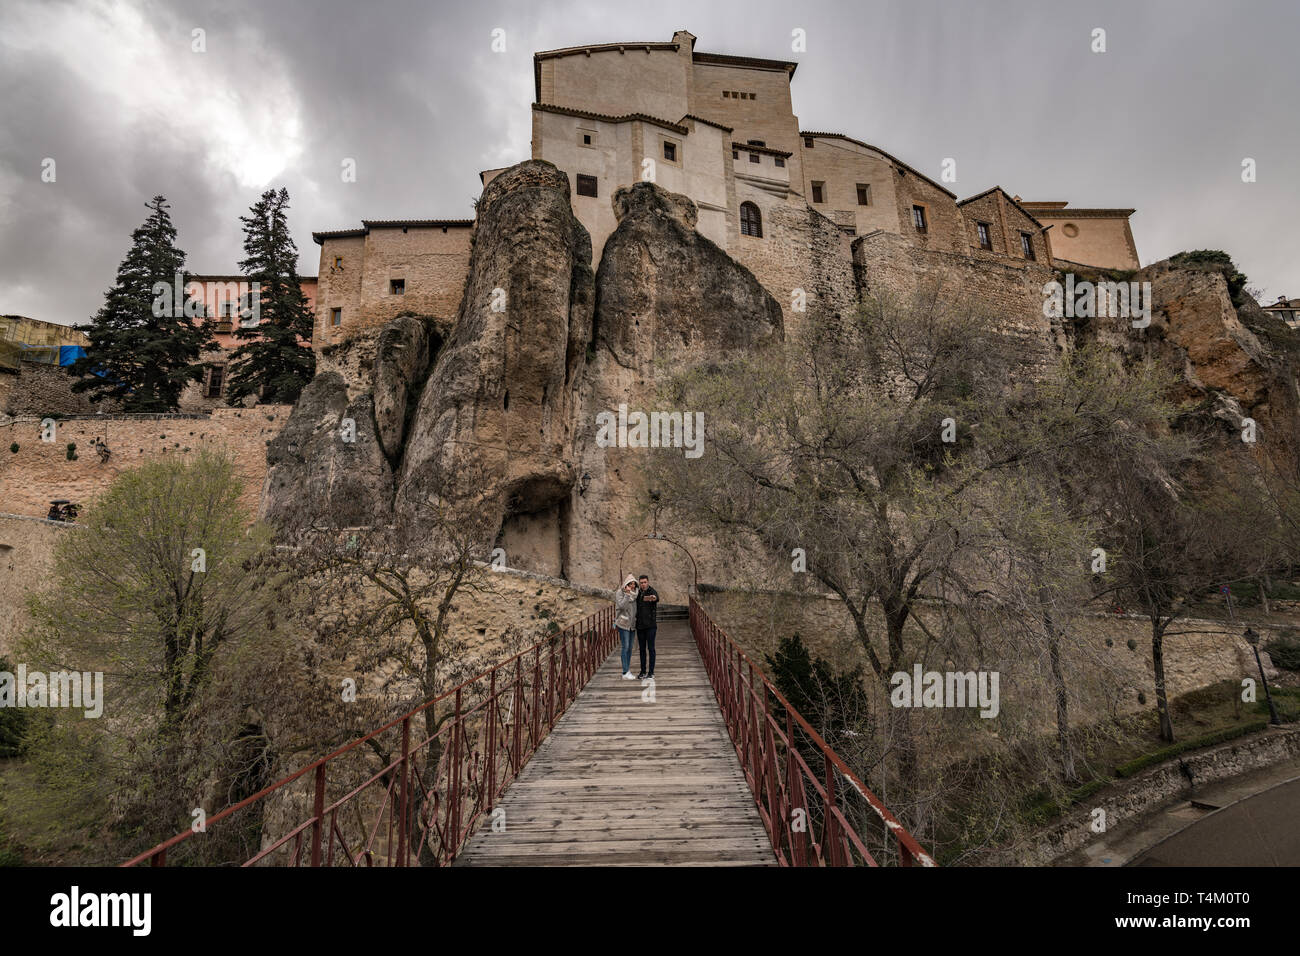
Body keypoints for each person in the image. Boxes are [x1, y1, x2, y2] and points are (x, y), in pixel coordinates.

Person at [614, 574, 639, 680]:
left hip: (632, 624)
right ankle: (625, 672)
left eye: (634, 584)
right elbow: (622, 606)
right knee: (625, 647)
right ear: (626, 584)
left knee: (630, 648)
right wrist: (627, 594)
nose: (632, 586)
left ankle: (627, 670)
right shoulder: (620, 593)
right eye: (630, 584)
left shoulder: (637, 593)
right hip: (623, 623)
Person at [635, 573, 658, 680]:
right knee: (642, 650)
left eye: (645, 582)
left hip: (650, 626)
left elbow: (656, 598)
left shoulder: (652, 591)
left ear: (648, 582)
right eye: (641, 583)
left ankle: (651, 672)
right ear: (639, 583)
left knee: (651, 648)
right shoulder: (638, 593)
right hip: (640, 626)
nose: (643, 584)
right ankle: (643, 671)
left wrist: (653, 598)